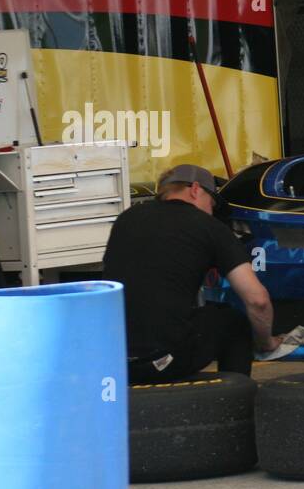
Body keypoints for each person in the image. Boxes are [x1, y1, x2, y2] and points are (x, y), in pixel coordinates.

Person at [103, 164, 281, 384]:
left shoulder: (126, 219)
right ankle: (235, 404)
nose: (211, 210)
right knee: (234, 321)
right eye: (212, 203)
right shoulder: (209, 226)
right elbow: (258, 300)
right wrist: (266, 343)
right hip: (165, 361)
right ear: (196, 189)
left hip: (114, 361)